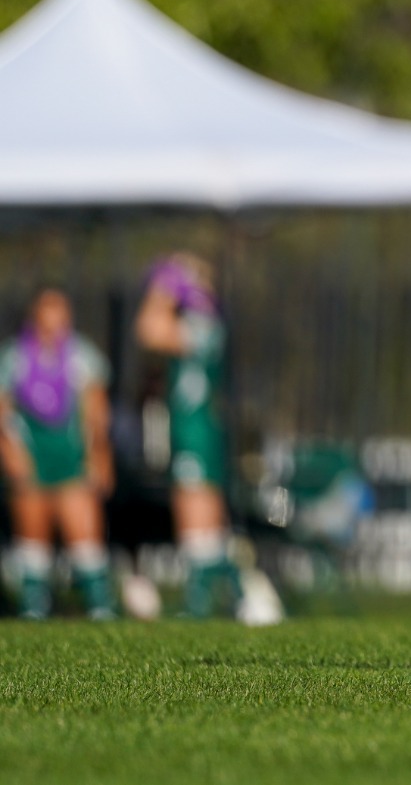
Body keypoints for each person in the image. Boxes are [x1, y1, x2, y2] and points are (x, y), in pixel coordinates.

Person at [135, 253, 245, 618]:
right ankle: (232, 590)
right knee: (204, 514)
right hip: (198, 426)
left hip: (195, 428)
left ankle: (211, 598)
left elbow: (147, 329)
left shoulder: (200, 324)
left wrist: (163, 289)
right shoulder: (205, 323)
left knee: (193, 505)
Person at [0, 288, 116, 619]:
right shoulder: (14, 357)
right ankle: (33, 610)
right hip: (33, 457)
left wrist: (100, 455)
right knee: (32, 540)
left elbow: (96, 412)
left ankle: (100, 609)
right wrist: (10, 452)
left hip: (72, 459)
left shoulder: (83, 356)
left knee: (85, 538)